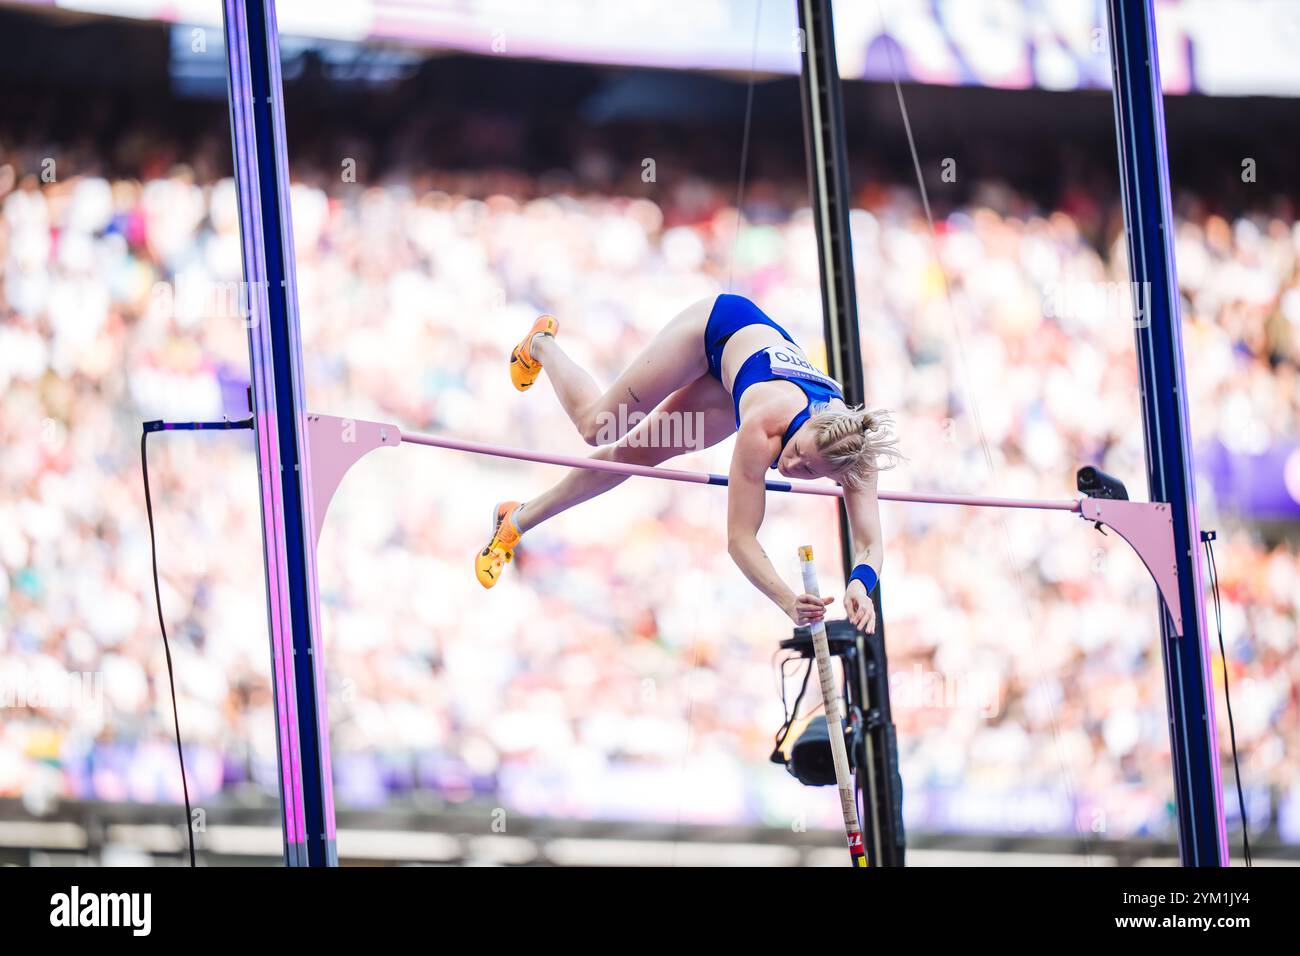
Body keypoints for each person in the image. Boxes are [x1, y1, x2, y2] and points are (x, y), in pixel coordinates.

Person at [475, 294, 900, 632]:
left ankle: (516, 520)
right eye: (798, 453)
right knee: (598, 428)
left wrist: (861, 585)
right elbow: (739, 539)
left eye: (808, 472)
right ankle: (540, 345)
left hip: (733, 384)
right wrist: (788, 600)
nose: (790, 467)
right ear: (807, 426)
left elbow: (869, 543)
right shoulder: (764, 427)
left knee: (629, 460)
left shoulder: (853, 457)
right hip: (714, 331)